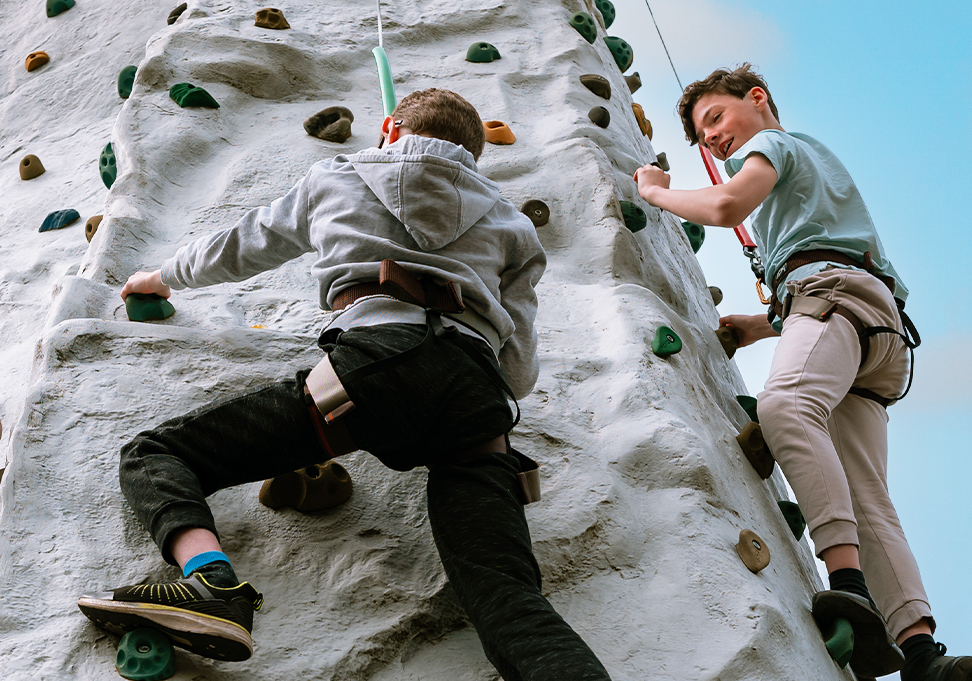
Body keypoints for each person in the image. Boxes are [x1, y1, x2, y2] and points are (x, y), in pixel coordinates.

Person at [78, 88, 612, 681]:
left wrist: (161, 276)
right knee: (508, 597)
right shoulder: (512, 224)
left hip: (371, 372)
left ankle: (211, 582)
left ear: (388, 128)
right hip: (477, 403)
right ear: (471, 158)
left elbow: (247, 243)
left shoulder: (340, 173)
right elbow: (518, 371)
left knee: (158, 452)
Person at [633, 64, 972, 681]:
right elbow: (827, 262)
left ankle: (848, 586)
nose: (713, 140)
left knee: (786, 407)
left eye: (715, 118)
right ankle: (925, 657)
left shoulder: (771, 145)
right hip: (873, 333)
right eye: (703, 136)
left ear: (758, 99)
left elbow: (723, 203)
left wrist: (656, 192)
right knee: (869, 499)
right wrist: (761, 323)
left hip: (833, 301)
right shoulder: (812, 171)